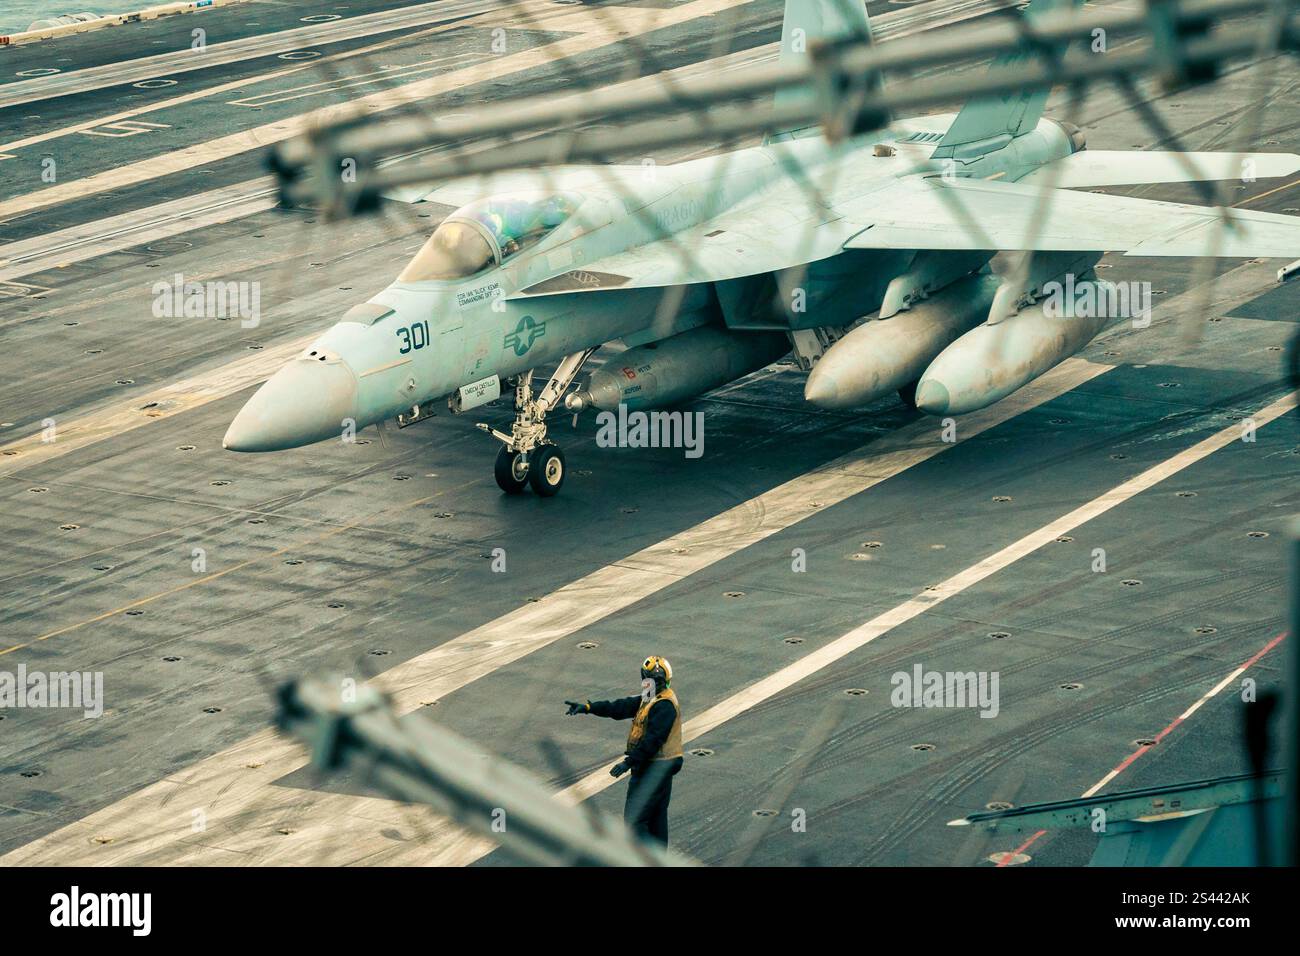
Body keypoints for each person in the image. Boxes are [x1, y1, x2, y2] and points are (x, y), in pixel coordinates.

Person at [565, 655, 683, 845]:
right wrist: (588, 707)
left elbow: (652, 742)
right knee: (656, 821)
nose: (645, 682)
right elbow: (622, 707)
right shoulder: (653, 696)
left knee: (634, 823)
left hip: (652, 768)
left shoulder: (664, 705)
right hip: (658, 767)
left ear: (658, 681)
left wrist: (628, 763)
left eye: (648, 679)